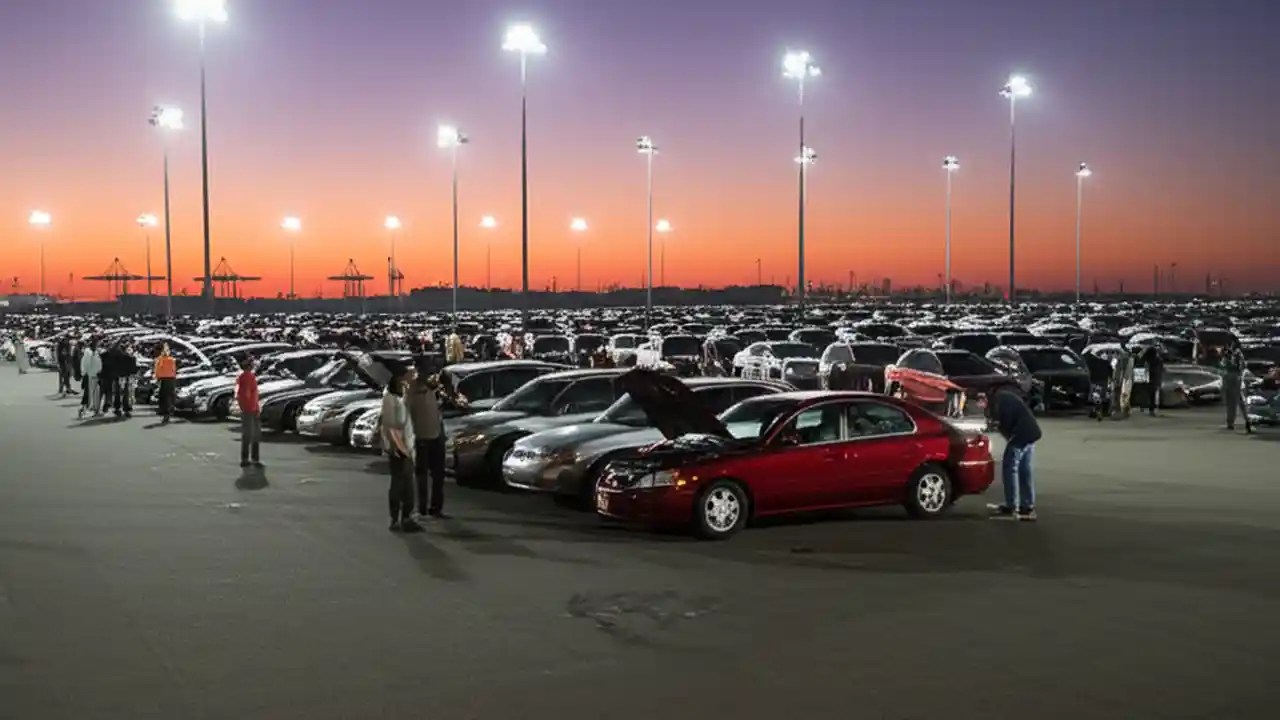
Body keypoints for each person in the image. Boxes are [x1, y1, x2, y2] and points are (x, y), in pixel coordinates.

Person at [987, 384, 1043, 521]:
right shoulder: (1006, 397)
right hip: (1032, 432)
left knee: (1009, 466)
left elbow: (1006, 423)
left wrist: (997, 426)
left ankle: (1012, 506)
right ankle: (1027, 506)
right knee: (1024, 469)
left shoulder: (1001, 400)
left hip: (1022, 434)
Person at [408, 355, 450, 519]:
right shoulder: (413, 386)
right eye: (425, 367)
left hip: (436, 434)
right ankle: (422, 509)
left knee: (438, 474)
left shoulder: (431, 386)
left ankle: (436, 508)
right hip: (420, 436)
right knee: (422, 475)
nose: (429, 371)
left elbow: (435, 406)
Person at [381, 364, 420, 533]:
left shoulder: (401, 395)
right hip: (398, 449)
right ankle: (396, 519)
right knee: (400, 485)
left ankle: (406, 517)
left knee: (408, 486)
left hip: (407, 446)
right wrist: (402, 451)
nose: (411, 378)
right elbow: (392, 427)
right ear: (398, 378)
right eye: (408, 375)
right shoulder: (390, 398)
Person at [235, 357, 263, 467]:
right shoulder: (247, 377)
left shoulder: (244, 377)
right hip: (250, 409)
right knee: (250, 434)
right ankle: (248, 459)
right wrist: (252, 408)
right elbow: (247, 395)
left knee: (253, 434)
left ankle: (251, 458)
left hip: (251, 408)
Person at [1222, 344, 1252, 434]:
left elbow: (1224, 365)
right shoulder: (1238, 355)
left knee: (1233, 402)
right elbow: (1242, 367)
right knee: (1237, 402)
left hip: (1232, 378)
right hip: (1235, 378)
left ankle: (1234, 422)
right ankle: (1244, 421)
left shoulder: (1232, 355)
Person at [79, 341, 103, 419]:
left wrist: (100, 372)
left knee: (96, 394)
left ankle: (95, 410)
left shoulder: (97, 353)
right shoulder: (88, 354)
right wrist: (84, 373)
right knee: (90, 393)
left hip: (96, 376)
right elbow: (84, 363)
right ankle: (88, 409)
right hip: (90, 376)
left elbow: (99, 364)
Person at [154, 344, 177, 424]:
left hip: (163, 379)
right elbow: (174, 370)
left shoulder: (159, 360)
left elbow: (157, 370)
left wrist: (157, 378)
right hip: (171, 379)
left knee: (163, 396)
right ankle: (169, 411)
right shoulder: (172, 360)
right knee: (170, 396)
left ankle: (165, 412)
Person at [1142, 345, 1165, 416]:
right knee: (1153, 395)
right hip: (1155, 379)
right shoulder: (1158, 360)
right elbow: (1161, 369)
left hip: (1150, 379)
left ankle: (1149, 409)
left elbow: (1147, 369)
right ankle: (1152, 410)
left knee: (1150, 395)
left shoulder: (1149, 360)